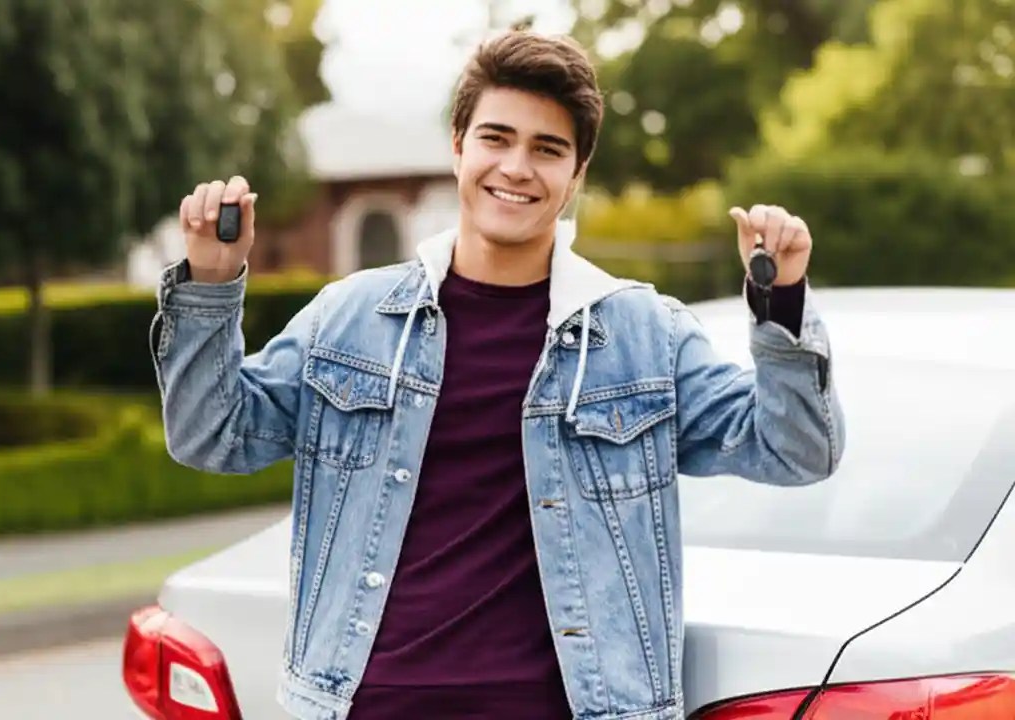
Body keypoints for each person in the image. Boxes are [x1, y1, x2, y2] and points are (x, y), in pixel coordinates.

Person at [151, 29, 844, 720]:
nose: (517, 167)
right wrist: (211, 285)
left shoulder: (643, 336)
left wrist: (780, 301)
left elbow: (797, 449)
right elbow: (212, 436)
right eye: (496, 138)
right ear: (458, 147)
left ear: (576, 176)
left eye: (548, 149)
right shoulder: (349, 319)